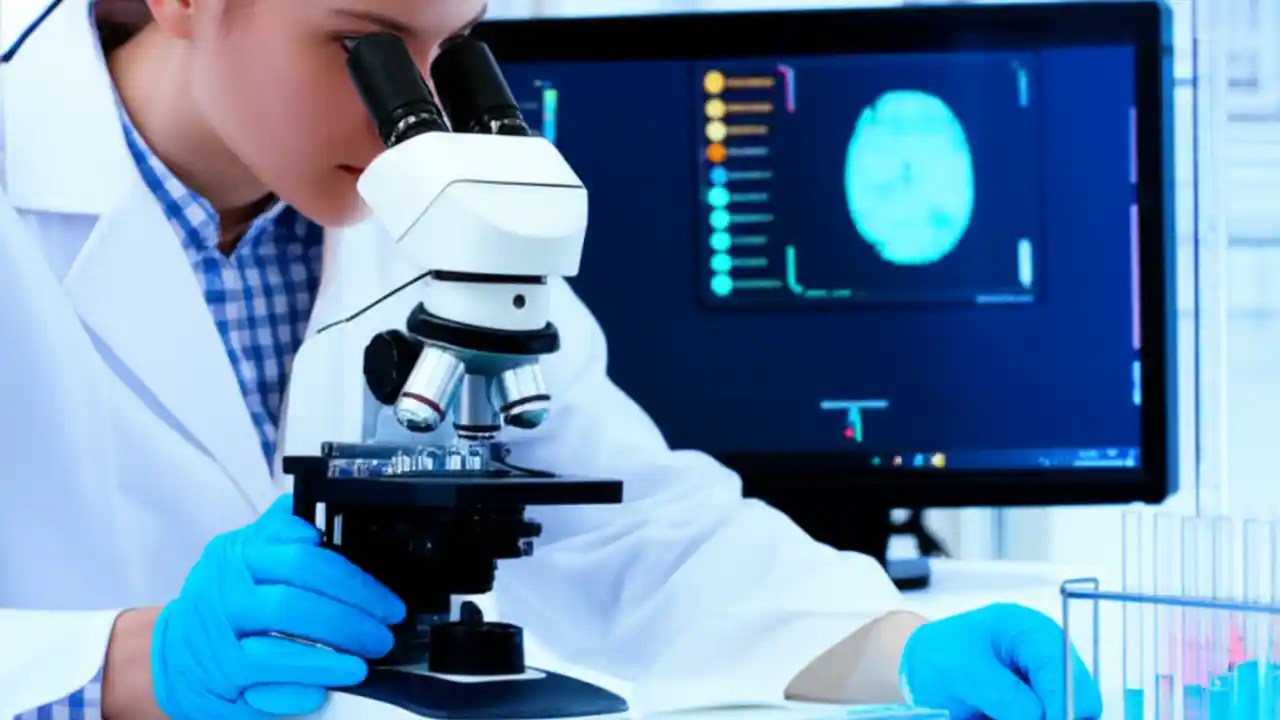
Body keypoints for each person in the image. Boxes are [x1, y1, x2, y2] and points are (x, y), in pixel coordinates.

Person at [0, 0, 1104, 718]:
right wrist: (132, 666)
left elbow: (641, 535)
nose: (416, 118)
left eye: (450, 51)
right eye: (365, 50)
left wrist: (894, 646)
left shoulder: (419, 222)